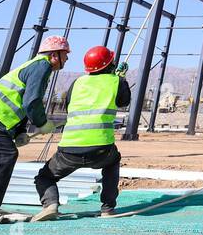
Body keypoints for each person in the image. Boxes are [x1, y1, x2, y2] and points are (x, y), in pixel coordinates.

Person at [0, 35, 69, 223]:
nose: (66, 59)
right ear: (54, 55)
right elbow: (31, 101)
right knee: (4, 156)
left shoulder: (32, 66)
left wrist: (19, 132)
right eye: (65, 55)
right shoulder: (43, 66)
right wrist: (41, 122)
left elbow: (19, 103)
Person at [31, 45, 131, 220]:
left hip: (69, 150)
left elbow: (71, 104)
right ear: (110, 64)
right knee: (112, 162)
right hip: (102, 149)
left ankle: (50, 204)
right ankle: (107, 208)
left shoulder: (77, 83)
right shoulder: (117, 82)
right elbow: (124, 101)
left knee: (44, 177)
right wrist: (122, 79)